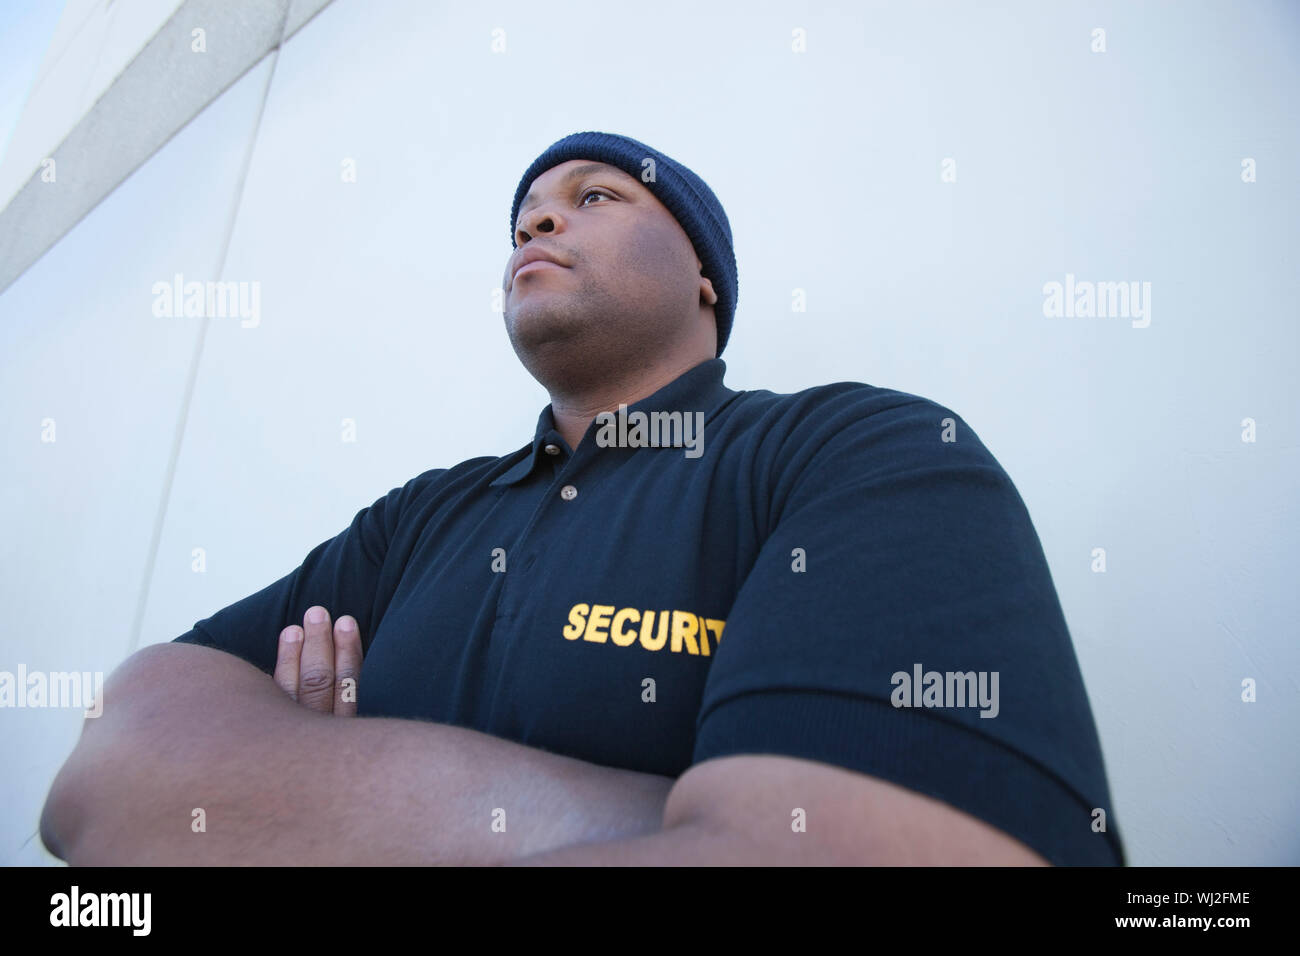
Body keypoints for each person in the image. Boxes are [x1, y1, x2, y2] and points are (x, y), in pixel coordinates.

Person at [40, 131, 1124, 866]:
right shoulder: (420, 518)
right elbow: (101, 782)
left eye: (591, 198)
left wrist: (297, 782)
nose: (536, 228)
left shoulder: (852, 449)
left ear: (706, 272)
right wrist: (674, 817)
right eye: (522, 220)